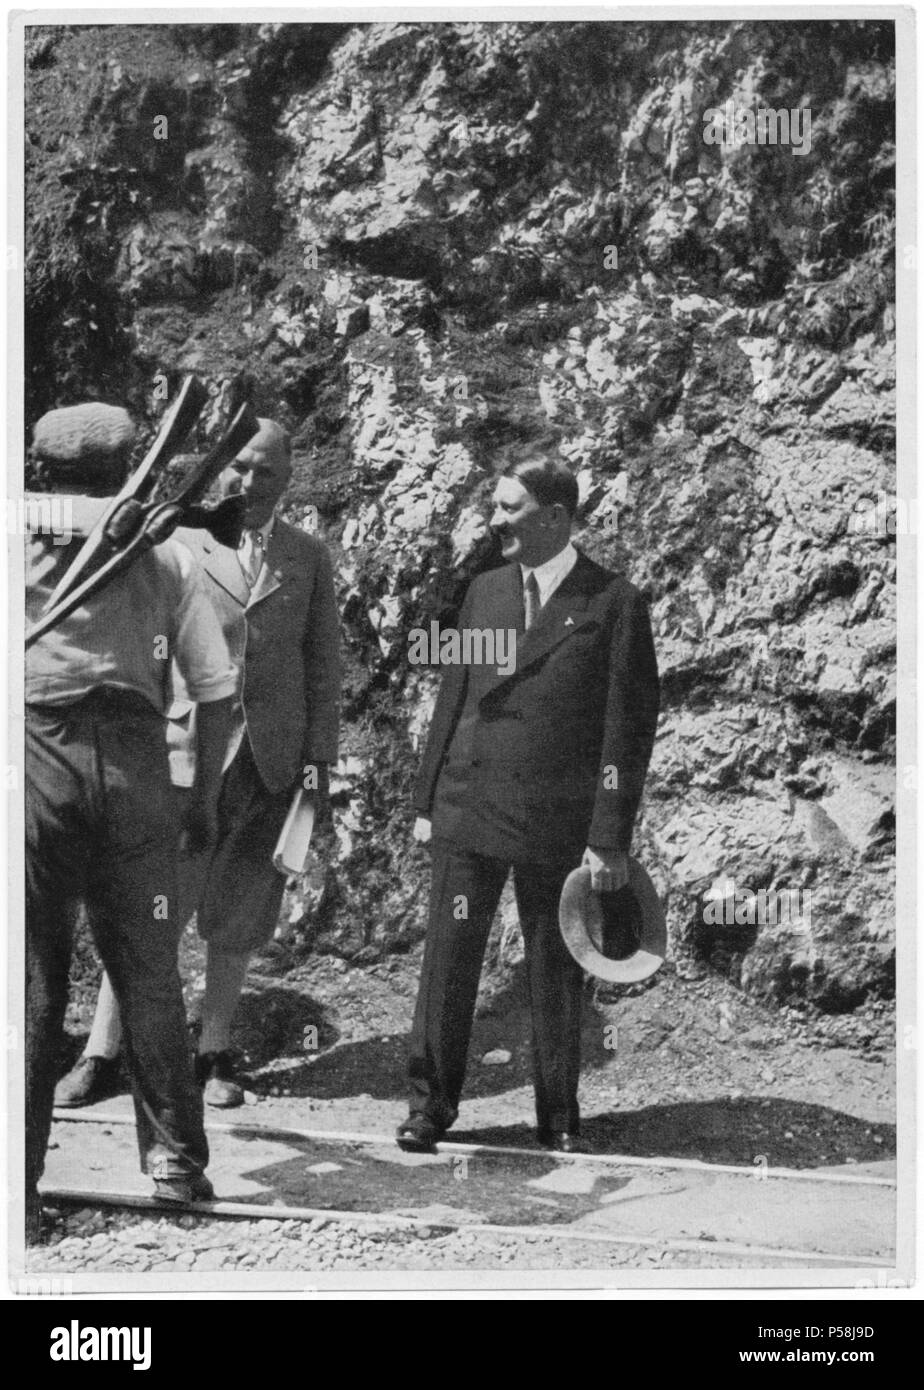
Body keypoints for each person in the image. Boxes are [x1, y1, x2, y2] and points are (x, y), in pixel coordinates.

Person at [55, 419, 341, 1110]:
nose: (248, 481)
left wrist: (317, 763)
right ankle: (103, 1053)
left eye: (265, 470)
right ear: (220, 470)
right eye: (238, 466)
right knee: (148, 910)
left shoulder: (305, 556)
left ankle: (214, 1052)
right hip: (183, 753)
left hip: (269, 760)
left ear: (288, 478)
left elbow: (323, 664)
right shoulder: (174, 545)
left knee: (239, 913)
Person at [397, 445, 660, 1154]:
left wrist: (609, 835)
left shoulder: (613, 603)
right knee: (449, 959)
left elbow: (624, 732)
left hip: (556, 818)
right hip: (469, 802)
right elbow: (452, 698)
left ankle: (558, 1114)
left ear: (554, 518)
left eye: (509, 509)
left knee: (554, 965)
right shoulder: (484, 591)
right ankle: (429, 1107)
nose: (494, 520)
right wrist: (426, 802)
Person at [25, 403, 237, 1241]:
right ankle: (178, 1169)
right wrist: (206, 799)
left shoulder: (15, 534)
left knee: (34, 982)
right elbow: (215, 692)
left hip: (39, 762)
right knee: (148, 970)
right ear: (127, 471)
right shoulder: (169, 551)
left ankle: (18, 1192)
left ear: (43, 469)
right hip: (141, 769)